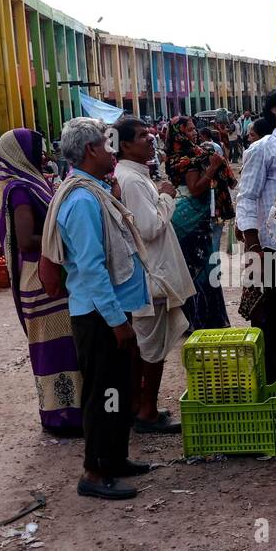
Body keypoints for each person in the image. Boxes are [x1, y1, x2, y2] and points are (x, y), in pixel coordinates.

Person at [41, 118, 153, 501]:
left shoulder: (96, 192)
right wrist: (116, 319)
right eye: (108, 145)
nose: (113, 151)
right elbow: (91, 268)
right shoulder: (83, 200)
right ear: (90, 149)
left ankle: (115, 458)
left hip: (112, 313)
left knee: (118, 391)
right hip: (100, 316)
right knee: (102, 393)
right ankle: (94, 469)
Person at [0, 128, 84, 438]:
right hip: (40, 279)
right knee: (56, 347)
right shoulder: (20, 190)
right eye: (38, 150)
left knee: (66, 345)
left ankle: (73, 410)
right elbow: (27, 239)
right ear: (22, 154)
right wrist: (67, 237)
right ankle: (63, 416)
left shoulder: (34, 182)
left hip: (48, 273)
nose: (45, 155)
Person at [113, 116, 195, 434]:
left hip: (150, 273)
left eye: (150, 134)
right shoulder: (132, 181)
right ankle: (146, 410)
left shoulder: (135, 175)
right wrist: (166, 197)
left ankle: (142, 406)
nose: (150, 139)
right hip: (151, 275)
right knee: (151, 349)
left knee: (147, 347)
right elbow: (148, 227)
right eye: (142, 136)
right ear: (124, 146)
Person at [236, 88, 276, 382]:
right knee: (275, 330)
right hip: (273, 252)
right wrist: (253, 246)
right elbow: (246, 198)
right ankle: (275, 396)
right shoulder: (263, 149)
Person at [165, 115, 234, 331]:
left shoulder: (193, 153)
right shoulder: (185, 157)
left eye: (194, 129)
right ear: (179, 133)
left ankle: (204, 319)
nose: (194, 132)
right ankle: (200, 320)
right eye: (189, 130)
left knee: (204, 265)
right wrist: (213, 168)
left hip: (196, 215)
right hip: (188, 217)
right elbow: (195, 189)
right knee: (199, 266)